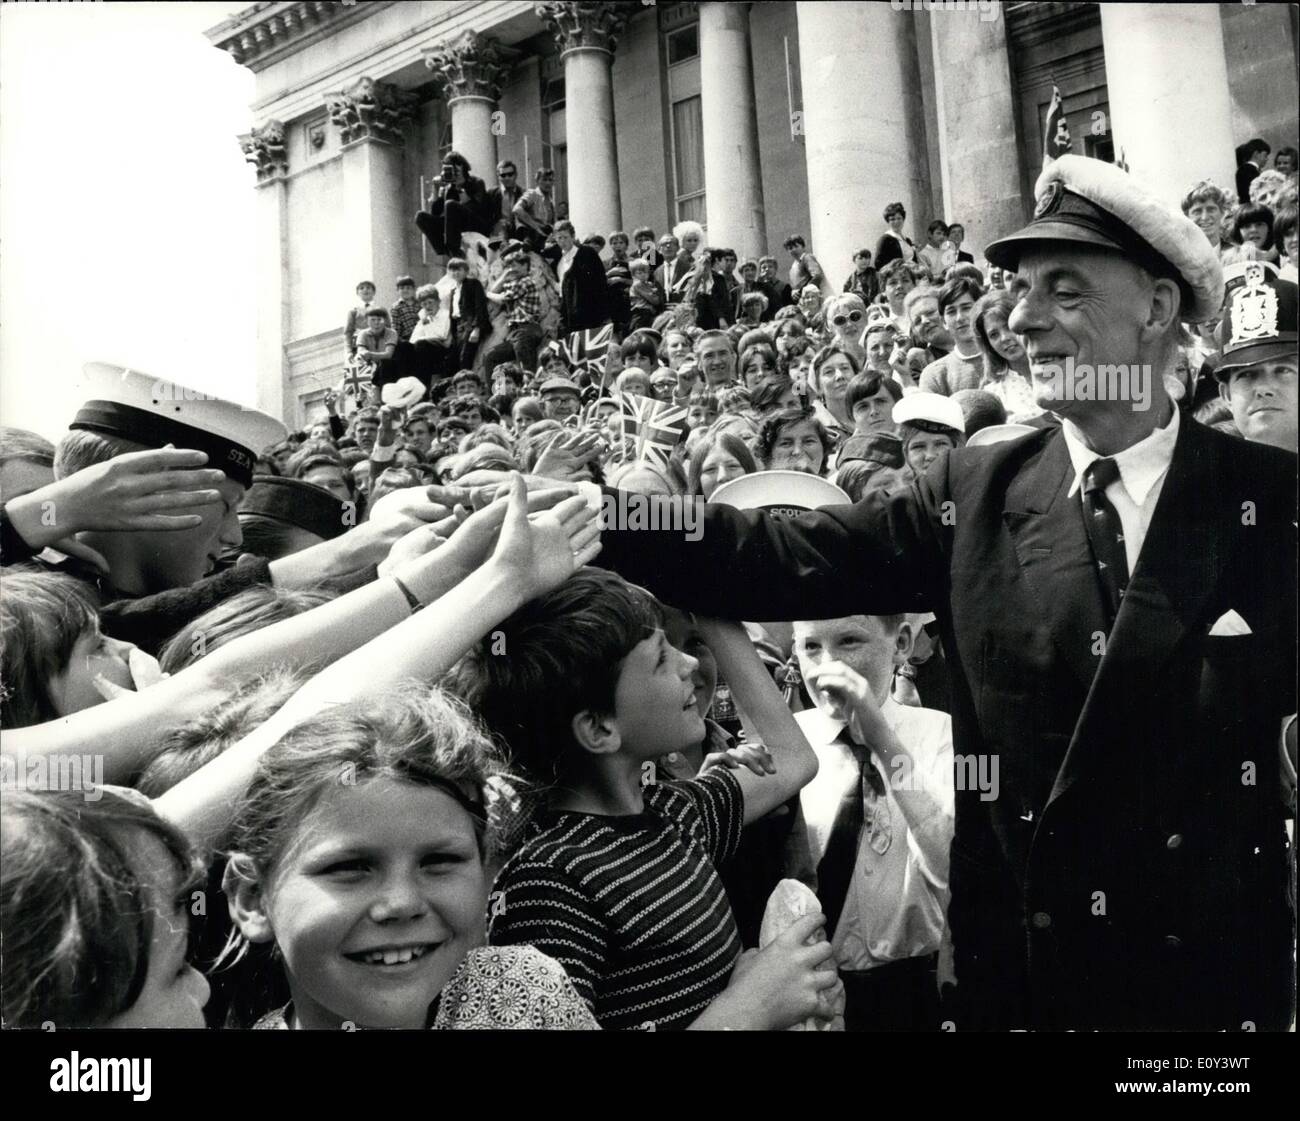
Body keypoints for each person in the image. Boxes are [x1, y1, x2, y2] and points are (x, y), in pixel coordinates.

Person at [589, 154, 1296, 1031]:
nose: (1024, 320)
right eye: (1024, 291)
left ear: (1157, 308)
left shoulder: (1272, 498)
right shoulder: (977, 488)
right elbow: (781, 552)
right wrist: (609, 517)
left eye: (1064, 290)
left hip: (1210, 1010)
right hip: (1029, 991)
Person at [452, 568, 835, 1030]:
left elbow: (793, 759)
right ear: (599, 728)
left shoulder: (677, 815)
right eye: (660, 659)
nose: (690, 664)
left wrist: (709, 589)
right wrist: (749, 1008)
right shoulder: (549, 884)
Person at [224, 690, 598, 1030]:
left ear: (486, 873)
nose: (402, 904)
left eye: (439, 861)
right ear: (253, 898)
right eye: (350, 868)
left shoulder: (525, 993)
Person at [790, 612, 954, 1030]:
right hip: (817, 994)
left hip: (914, 988)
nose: (827, 665)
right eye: (810, 646)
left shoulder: (944, 736)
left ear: (900, 644)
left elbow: (951, 864)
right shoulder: (789, 741)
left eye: (849, 641)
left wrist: (881, 739)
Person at [1214, 260, 1297, 453]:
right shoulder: (1208, 480)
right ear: (1226, 395)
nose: (1263, 388)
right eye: (1247, 374)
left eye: (1283, 370)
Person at [969, 288, 1042, 422]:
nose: (1004, 338)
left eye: (1008, 327)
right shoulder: (993, 394)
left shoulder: (1064, 366)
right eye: (994, 335)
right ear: (988, 344)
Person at [415, 150, 493, 257]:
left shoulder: (476, 182)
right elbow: (435, 214)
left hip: (476, 223)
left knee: (450, 204)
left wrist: (460, 188)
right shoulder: (448, 188)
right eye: (446, 169)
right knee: (421, 216)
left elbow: (478, 208)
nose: (450, 172)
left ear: (460, 166)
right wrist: (435, 189)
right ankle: (445, 250)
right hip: (455, 226)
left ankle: (453, 250)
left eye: (451, 168)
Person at [919, 277, 985, 395]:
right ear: (943, 322)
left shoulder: (1004, 356)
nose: (959, 318)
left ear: (981, 310)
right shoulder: (935, 375)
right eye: (951, 311)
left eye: (966, 308)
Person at [485, 242, 545, 372]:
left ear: (524, 265)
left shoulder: (525, 281)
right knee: (491, 358)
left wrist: (487, 293)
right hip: (516, 333)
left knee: (526, 368)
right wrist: (504, 276)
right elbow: (495, 292)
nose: (511, 269)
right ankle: (498, 390)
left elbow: (502, 298)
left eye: (513, 265)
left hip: (526, 330)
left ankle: (529, 390)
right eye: (508, 266)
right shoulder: (515, 282)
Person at [554, 221, 609, 333]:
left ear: (573, 236)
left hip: (590, 313)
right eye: (559, 238)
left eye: (565, 237)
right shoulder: (559, 262)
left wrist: (603, 313)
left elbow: (601, 282)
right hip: (571, 317)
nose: (563, 241)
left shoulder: (587, 253)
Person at [758, 406, 834, 476]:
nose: (798, 451)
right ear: (769, 453)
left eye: (808, 441)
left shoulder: (835, 489)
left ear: (824, 448)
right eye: (786, 443)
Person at [512, 167, 557, 252]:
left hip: (543, 236)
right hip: (530, 232)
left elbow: (553, 224)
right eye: (544, 180)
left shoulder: (550, 201)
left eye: (550, 180)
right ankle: (525, 244)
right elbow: (517, 209)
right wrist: (536, 227)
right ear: (537, 181)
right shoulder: (532, 194)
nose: (547, 183)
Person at [486, 159, 524, 241]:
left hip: (518, 234)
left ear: (516, 175)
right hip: (498, 234)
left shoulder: (524, 194)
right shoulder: (491, 193)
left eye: (510, 174)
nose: (507, 178)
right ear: (498, 177)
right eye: (503, 175)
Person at [875, 201, 917, 270]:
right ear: (888, 222)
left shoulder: (907, 240)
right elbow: (879, 265)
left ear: (903, 219)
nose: (896, 222)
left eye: (899, 218)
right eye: (892, 219)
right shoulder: (885, 240)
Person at [343, 280, 377, 362]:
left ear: (373, 292)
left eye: (368, 288)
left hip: (376, 345)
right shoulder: (354, 311)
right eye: (361, 288)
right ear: (357, 293)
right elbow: (348, 333)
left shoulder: (379, 309)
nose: (365, 290)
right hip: (359, 345)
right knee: (361, 371)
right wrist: (348, 351)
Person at [1236, 137, 1271, 204]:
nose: (1267, 159)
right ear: (1256, 154)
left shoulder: (1245, 169)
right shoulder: (1248, 170)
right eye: (1265, 155)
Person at [389, 276, 420, 343]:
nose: (405, 290)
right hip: (407, 337)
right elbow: (395, 327)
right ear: (397, 290)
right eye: (402, 288)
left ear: (414, 289)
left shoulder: (420, 304)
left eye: (408, 288)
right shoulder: (396, 307)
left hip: (422, 334)